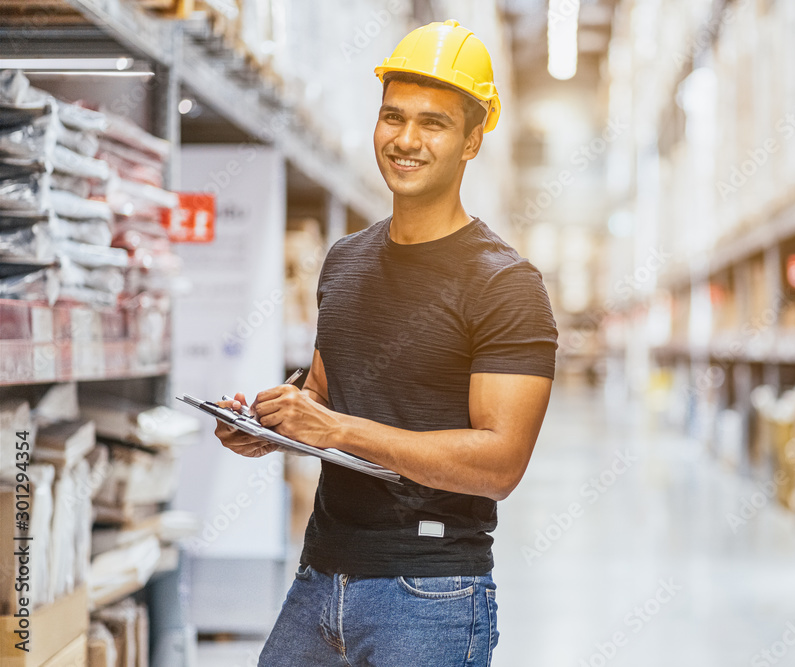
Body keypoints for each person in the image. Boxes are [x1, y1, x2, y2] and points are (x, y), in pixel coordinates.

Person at [214, 19, 558, 667]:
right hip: (320, 575)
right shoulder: (344, 261)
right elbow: (323, 393)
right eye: (392, 116)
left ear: (472, 141)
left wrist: (337, 429)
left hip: (428, 592)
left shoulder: (505, 284)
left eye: (433, 123)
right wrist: (273, 422)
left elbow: (500, 463)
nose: (405, 140)